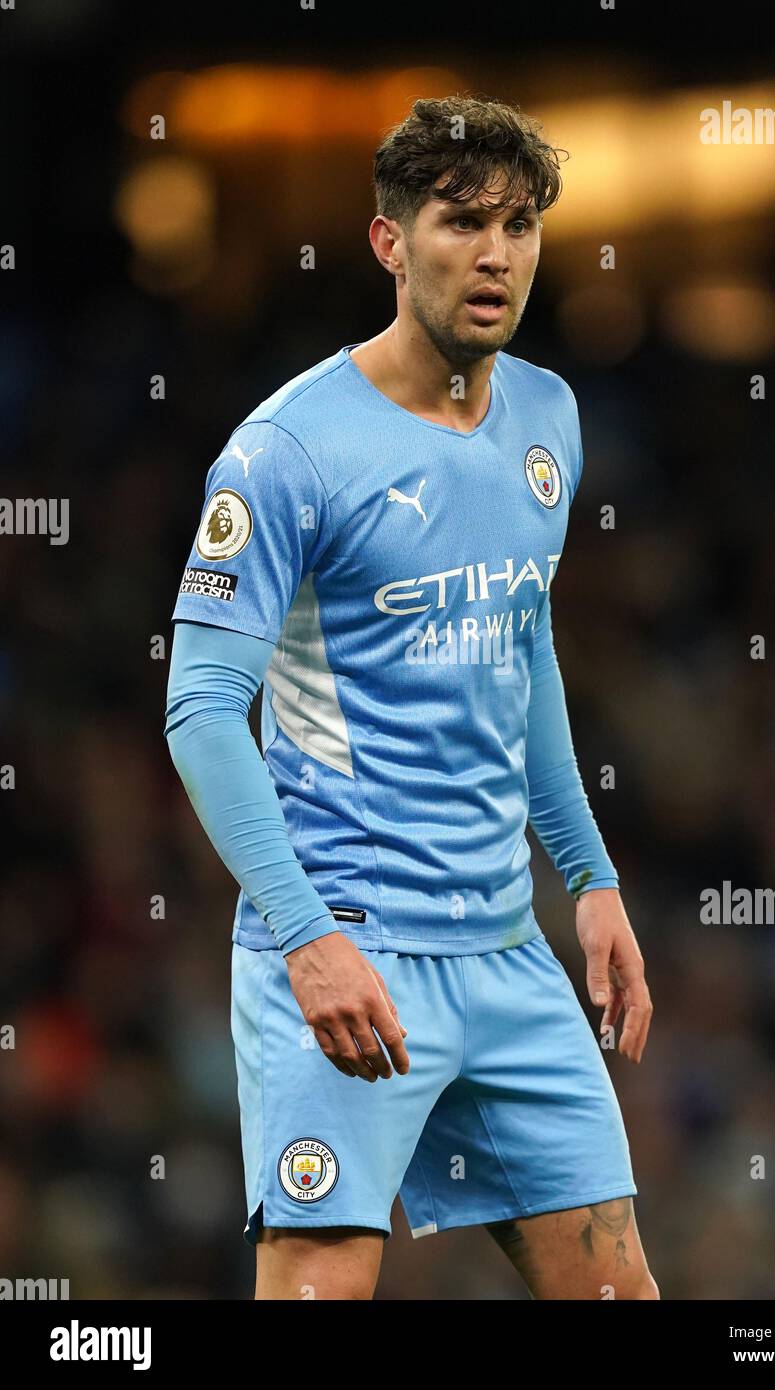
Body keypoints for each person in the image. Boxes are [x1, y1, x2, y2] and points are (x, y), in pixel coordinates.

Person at [164, 94, 657, 1301]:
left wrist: (588, 879)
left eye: (522, 226)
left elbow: (520, 644)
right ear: (390, 243)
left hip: (507, 955)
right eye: (460, 222)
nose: (495, 255)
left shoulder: (549, 415)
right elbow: (199, 709)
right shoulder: (287, 452)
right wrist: (306, 932)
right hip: (353, 952)